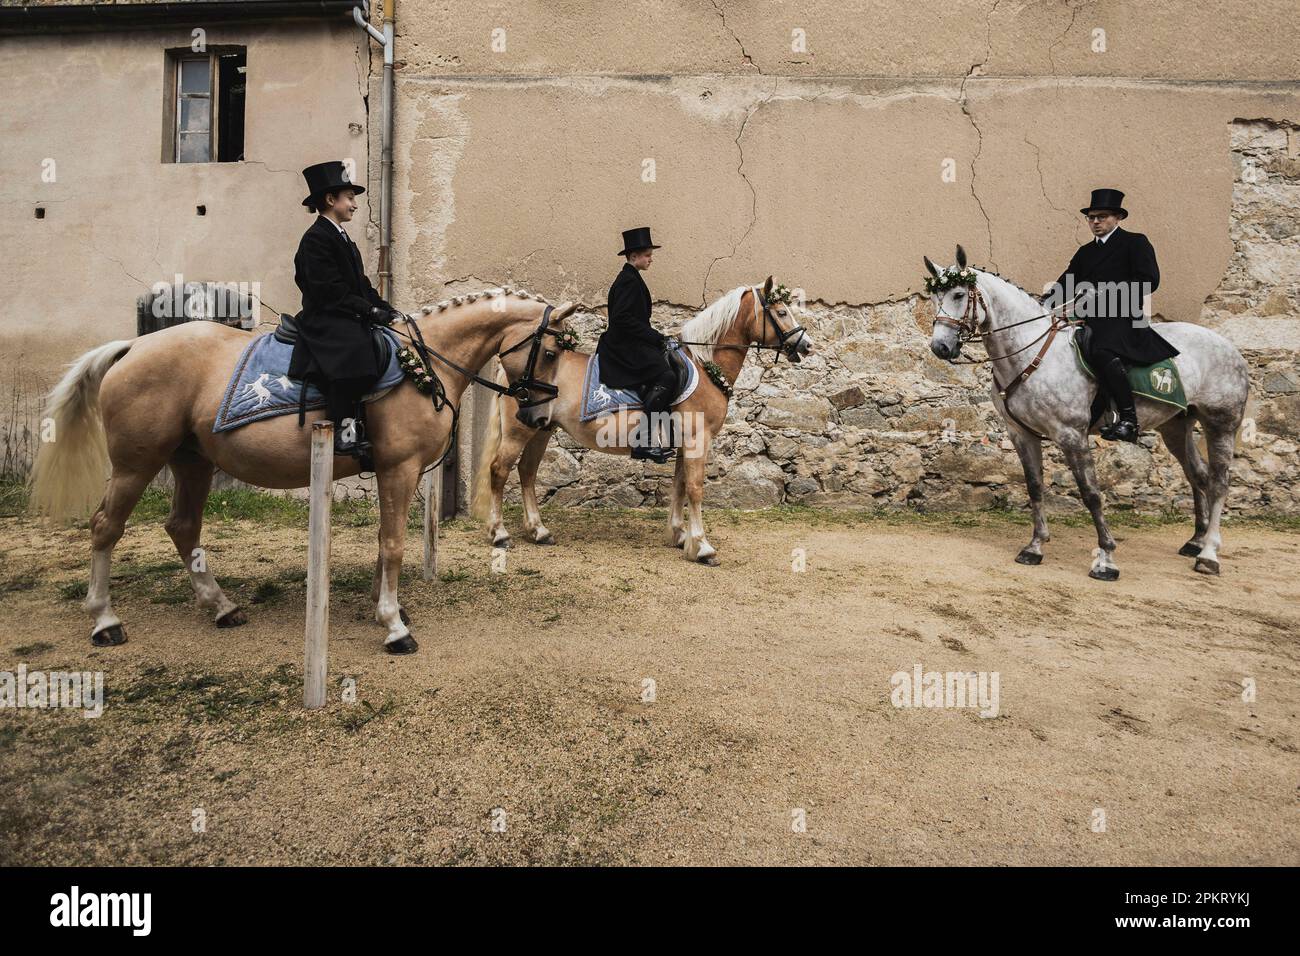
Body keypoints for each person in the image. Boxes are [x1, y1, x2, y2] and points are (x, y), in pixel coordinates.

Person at [288, 160, 403, 459]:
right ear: (330, 200)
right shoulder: (315, 240)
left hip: (345, 312)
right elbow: (330, 291)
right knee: (356, 350)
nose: (354, 205)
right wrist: (368, 312)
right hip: (324, 317)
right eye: (350, 198)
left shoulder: (344, 239)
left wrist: (386, 310)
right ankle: (343, 430)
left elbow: (361, 285)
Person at [1044, 188, 1179, 443]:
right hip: (1091, 318)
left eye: (1102, 216)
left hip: (1124, 317)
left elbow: (1148, 280)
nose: (1095, 222)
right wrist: (1044, 304)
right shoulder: (1086, 252)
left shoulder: (1135, 242)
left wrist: (1106, 294)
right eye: (1091, 217)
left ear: (1117, 218)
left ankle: (1129, 419)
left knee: (1102, 349)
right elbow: (1067, 283)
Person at [595, 226, 676, 463]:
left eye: (650, 255)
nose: (651, 259)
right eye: (647, 255)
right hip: (623, 347)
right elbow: (621, 319)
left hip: (632, 343)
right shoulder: (627, 281)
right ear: (633, 257)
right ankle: (644, 441)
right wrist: (655, 336)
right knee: (667, 377)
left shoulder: (632, 278)